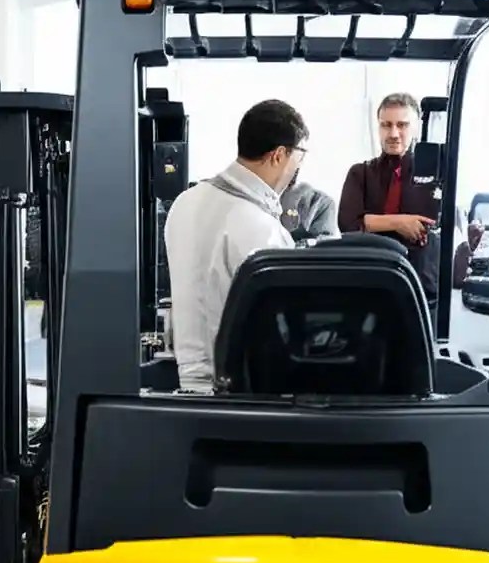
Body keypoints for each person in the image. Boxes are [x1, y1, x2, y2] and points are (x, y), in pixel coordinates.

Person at [164, 99, 304, 392]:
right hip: (238, 393)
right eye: (298, 156)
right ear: (279, 155)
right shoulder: (265, 231)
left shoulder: (183, 203)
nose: (297, 168)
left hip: (183, 384)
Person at [336, 93, 441, 304]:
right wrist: (400, 222)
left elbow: (428, 225)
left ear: (416, 127)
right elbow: (348, 224)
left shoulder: (437, 173)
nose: (393, 133)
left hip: (422, 286)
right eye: (386, 125)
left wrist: (371, 222)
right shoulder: (360, 173)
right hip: (368, 281)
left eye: (402, 125)